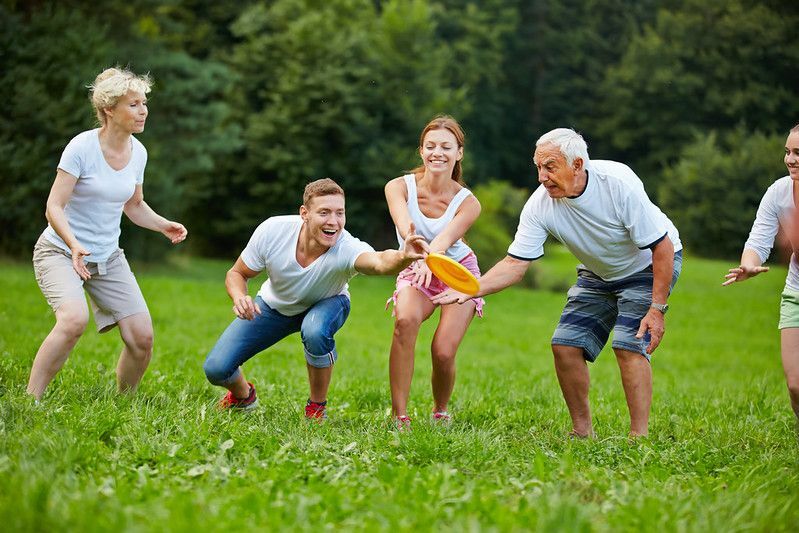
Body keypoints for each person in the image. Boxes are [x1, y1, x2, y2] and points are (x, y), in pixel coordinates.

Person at [433, 128, 682, 438]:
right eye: (538, 167)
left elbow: (662, 247)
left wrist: (656, 309)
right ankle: (581, 433)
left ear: (577, 165)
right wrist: (472, 287)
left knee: (628, 345)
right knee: (565, 345)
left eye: (550, 166)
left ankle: (638, 438)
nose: (541, 176)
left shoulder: (618, 184)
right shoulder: (540, 205)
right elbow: (514, 264)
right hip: (597, 271)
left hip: (647, 264)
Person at [203, 178, 429, 418]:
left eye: (339, 213)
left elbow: (380, 262)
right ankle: (243, 397)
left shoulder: (346, 247)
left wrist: (404, 256)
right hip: (273, 306)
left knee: (315, 330)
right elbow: (237, 273)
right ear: (305, 213)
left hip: (328, 303)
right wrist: (240, 296)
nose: (333, 221)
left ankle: (316, 407)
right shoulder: (273, 231)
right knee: (216, 369)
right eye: (324, 212)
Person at [29, 67, 188, 400]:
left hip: (107, 257)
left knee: (142, 338)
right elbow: (53, 207)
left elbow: (134, 205)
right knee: (73, 320)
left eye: (144, 103)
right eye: (133, 104)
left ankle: (123, 402)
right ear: (108, 110)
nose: (143, 110)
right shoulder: (81, 148)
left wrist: (162, 224)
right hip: (60, 251)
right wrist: (73, 245)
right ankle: (32, 399)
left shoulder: (138, 152)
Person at [385, 115, 483, 429]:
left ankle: (440, 409)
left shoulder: (469, 203)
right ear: (421, 151)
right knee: (405, 321)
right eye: (430, 146)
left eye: (445, 146)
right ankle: (400, 415)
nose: (437, 153)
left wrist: (431, 255)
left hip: (456, 271)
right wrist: (416, 250)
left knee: (442, 350)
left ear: (459, 153)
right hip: (416, 266)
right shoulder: (398, 187)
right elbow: (405, 225)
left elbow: (444, 239)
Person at [723, 124, 799, 422]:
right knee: (795, 384)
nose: (790, 159)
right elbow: (758, 240)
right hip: (796, 291)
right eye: (788, 152)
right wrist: (749, 263)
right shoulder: (779, 193)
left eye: (798, 153)